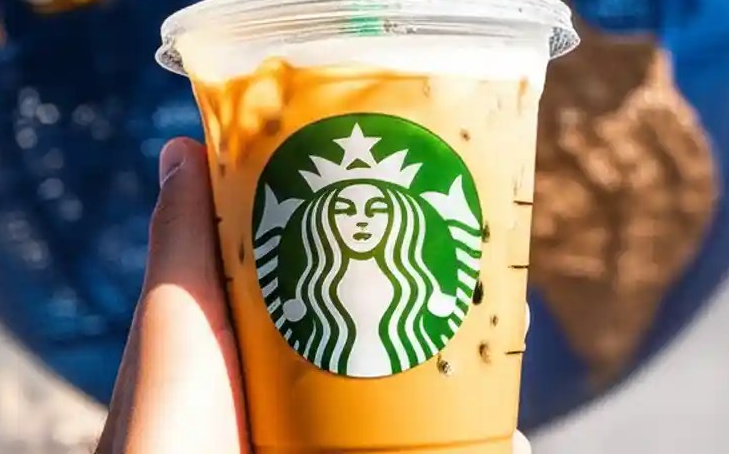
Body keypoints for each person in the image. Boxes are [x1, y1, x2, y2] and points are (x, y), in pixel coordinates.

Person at [96, 138, 531, 453]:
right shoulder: (309, 300)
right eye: (344, 208)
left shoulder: (424, 299)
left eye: (377, 209)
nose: (361, 222)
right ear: (321, 221)